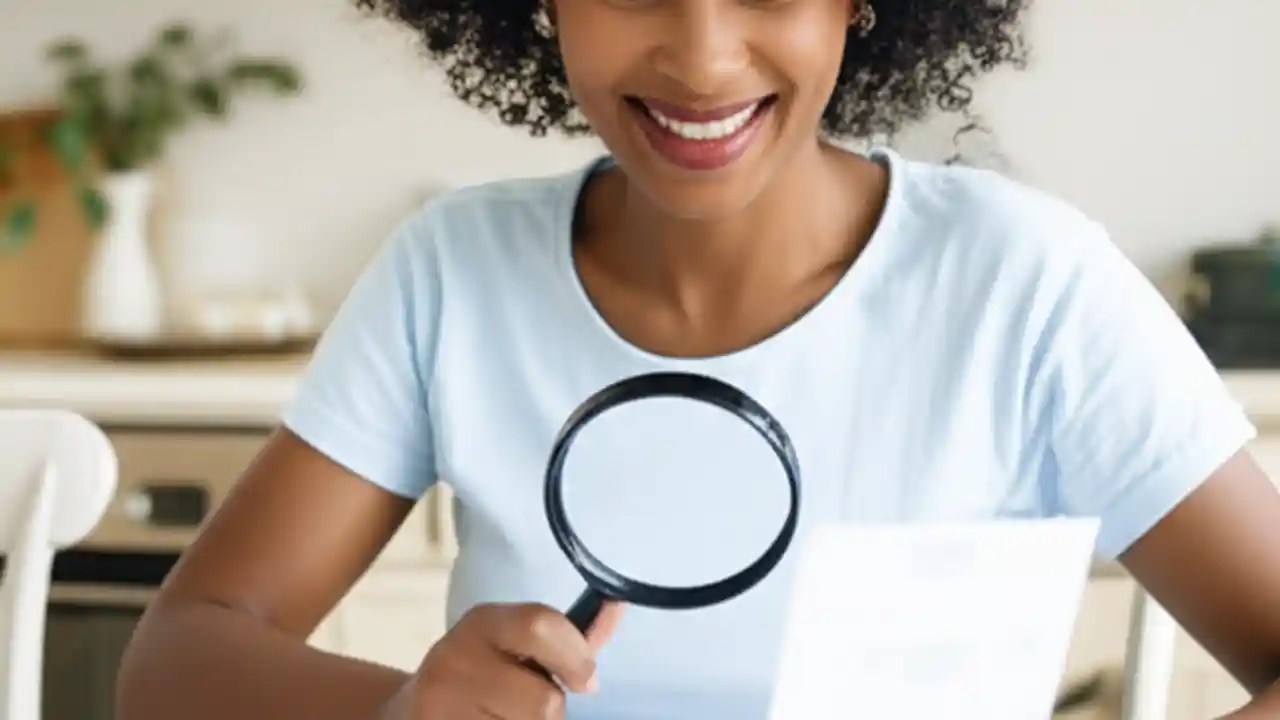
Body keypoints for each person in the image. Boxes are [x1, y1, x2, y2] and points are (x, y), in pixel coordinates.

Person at [117, 1, 1280, 718]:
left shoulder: (1028, 285)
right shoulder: (451, 274)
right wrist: (403, 710)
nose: (702, 54)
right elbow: (174, 660)